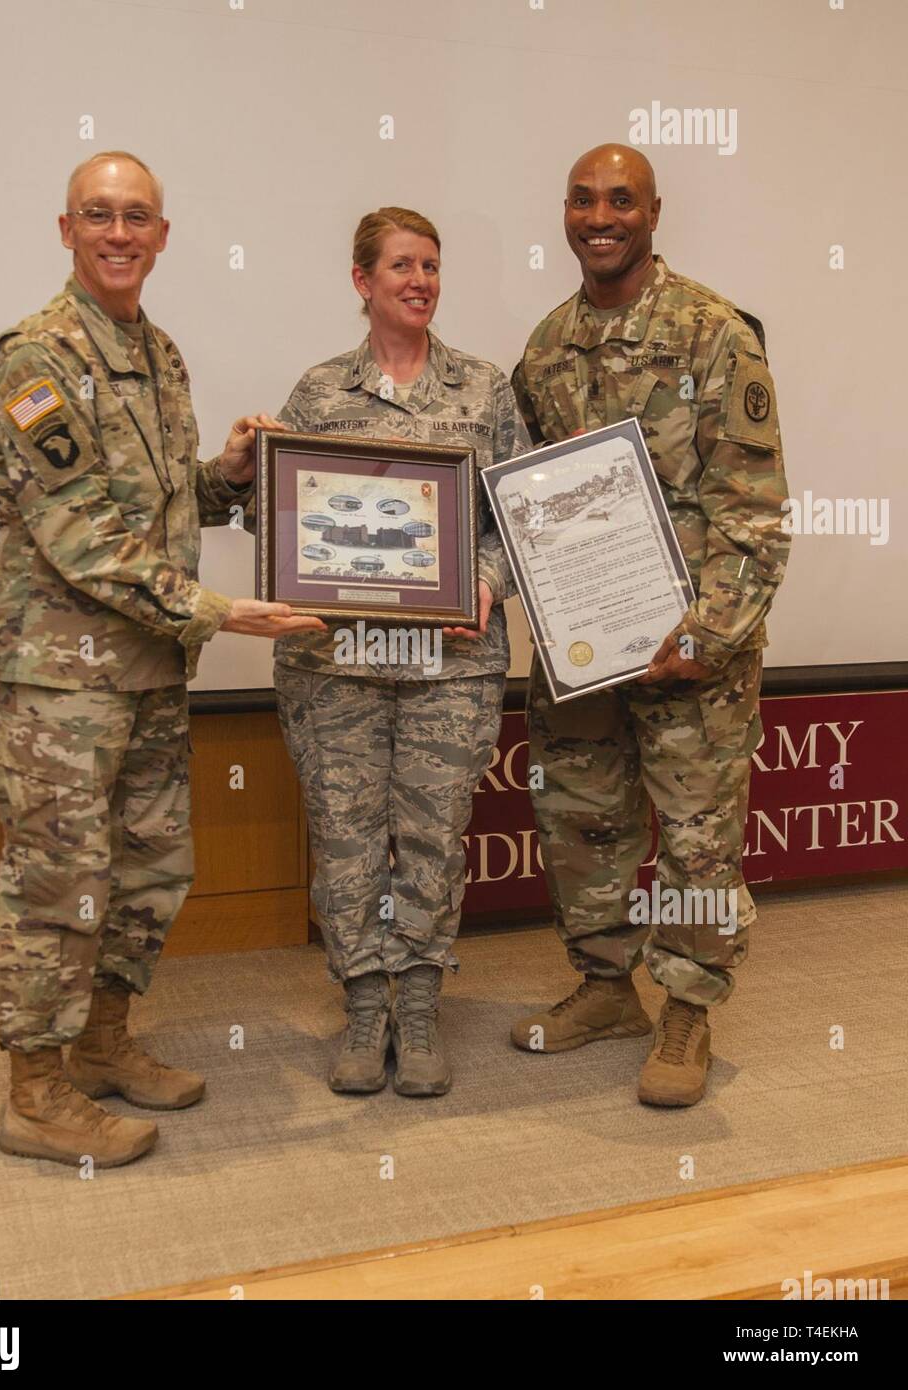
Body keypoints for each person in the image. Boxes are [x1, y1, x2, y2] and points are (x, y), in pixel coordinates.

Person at [0, 151, 323, 1167]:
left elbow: (155, 511)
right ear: (65, 228)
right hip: (65, 678)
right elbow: (79, 534)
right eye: (98, 215)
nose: (119, 233)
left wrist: (223, 474)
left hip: (151, 668)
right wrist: (217, 609)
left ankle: (102, 1043)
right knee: (59, 878)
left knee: (147, 871)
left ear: (162, 235)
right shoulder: (33, 360)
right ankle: (34, 1092)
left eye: (137, 218)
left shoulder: (157, 353)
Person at [509, 145, 790, 1107]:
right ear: (565, 211)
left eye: (620, 200)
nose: (601, 216)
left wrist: (703, 640)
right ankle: (604, 985)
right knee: (582, 820)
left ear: (654, 213)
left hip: (692, 656)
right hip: (584, 650)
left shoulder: (716, 334)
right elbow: (530, 509)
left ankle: (685, 1010)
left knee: (697, 843)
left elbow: (752, 515)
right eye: (583, 199)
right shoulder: (545, 351)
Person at [274, 207, 531, 1097]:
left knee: (431, 836)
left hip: (449, 666)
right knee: (347, 840)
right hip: (336, 667)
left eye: (430, 266)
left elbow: (518, 516)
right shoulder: (317, 393)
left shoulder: (484, 390)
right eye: (399, 267)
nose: (419, 281)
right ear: (362, 282)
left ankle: (418, 1008)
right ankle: (362, 1006)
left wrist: (489, 581)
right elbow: (288, 524)